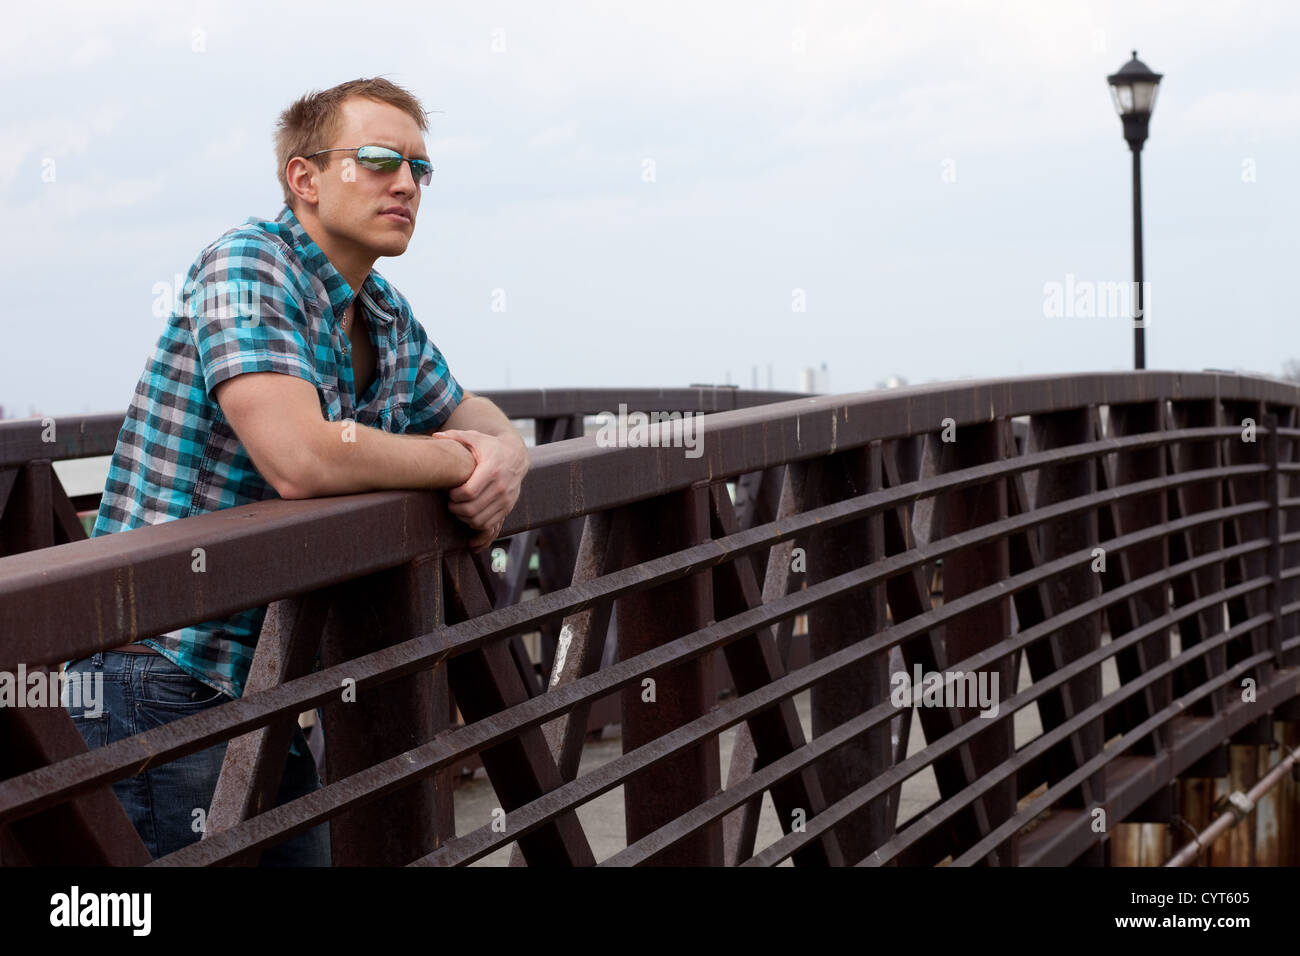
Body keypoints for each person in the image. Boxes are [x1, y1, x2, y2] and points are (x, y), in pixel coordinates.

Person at [63, 77, 529, 865]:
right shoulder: (246, 266)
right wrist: (455, 463)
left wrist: (507, 451)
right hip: (158, 678)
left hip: (263, 685)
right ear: (305, 179)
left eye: (421, 169)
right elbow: (300, 457)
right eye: (379, 160)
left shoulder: (377, 307)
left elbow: (467, 410)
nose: (407, 184)